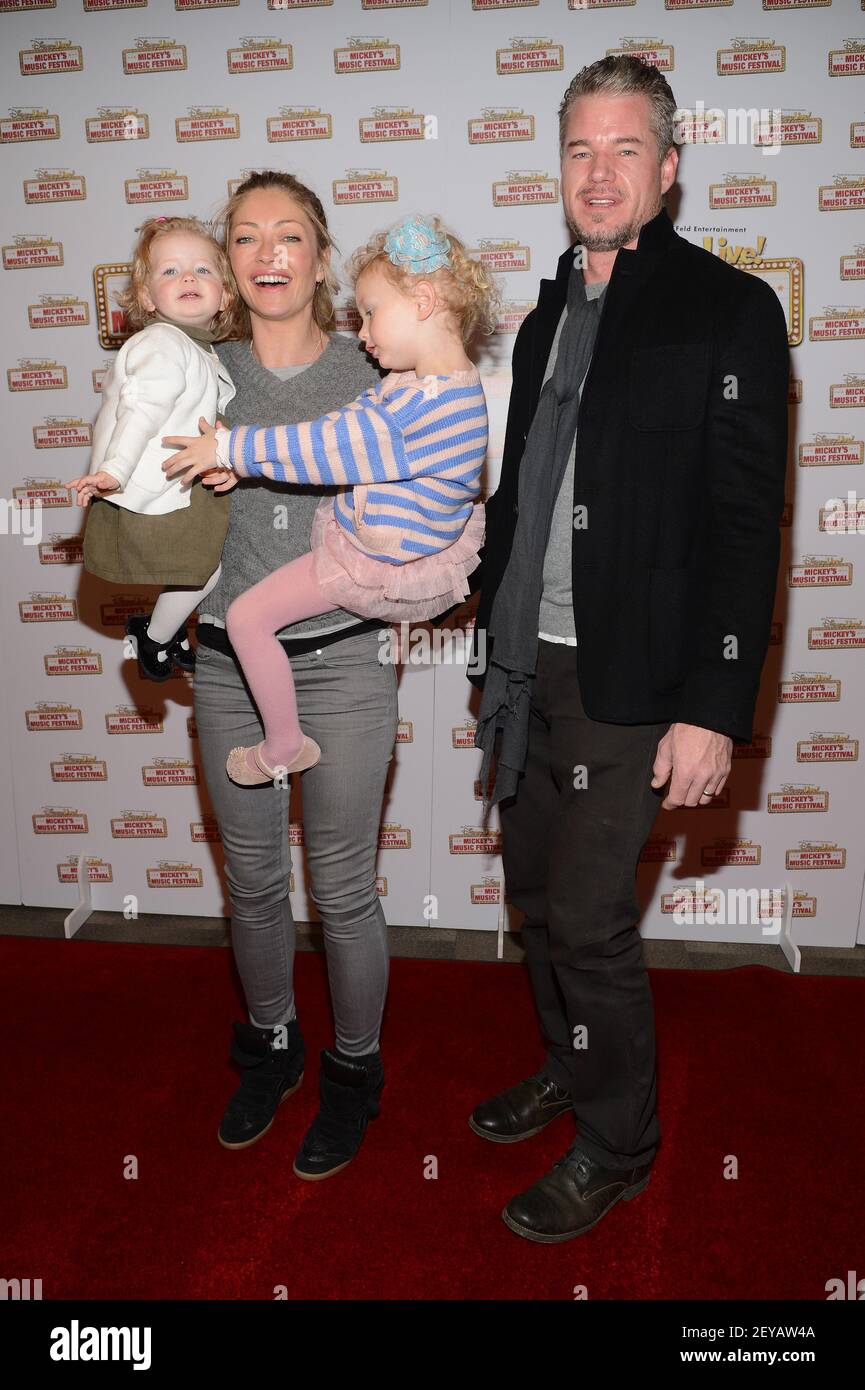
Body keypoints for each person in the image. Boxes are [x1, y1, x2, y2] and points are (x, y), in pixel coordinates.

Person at [467, 55, 789, 1242]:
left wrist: (712, 704)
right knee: (541, 900)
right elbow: (524, 501)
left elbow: (745, 520)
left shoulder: (727, 306)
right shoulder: (549, 309)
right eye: (577, 150)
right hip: (527, 665)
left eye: (623, 150)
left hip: (633, 676)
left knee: (592, 917)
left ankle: (619, 1142)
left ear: (667, 164)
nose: (598, 174)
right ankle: (572, 1063)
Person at [186, 171, 421, 1181]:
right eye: (246, 237)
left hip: (342, 662)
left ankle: (354, 1072)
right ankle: (271, 1047)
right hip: (224, 662)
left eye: (290, 235)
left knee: (341, 889)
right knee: (251, 884)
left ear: (321, 256)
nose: (268, 253)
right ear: (228, 261)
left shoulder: (377, 376)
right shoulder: (199, 371)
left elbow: (429, 509)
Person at [162, 215, 494, 786]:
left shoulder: (425, 409)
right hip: (373, 533)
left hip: (369, 557)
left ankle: (284, 744)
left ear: (422, 301)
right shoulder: (433, 382)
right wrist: (244, 463)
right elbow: (351, 421)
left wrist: (229, 446)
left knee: (246, 617)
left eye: (369, 312)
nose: (362, 332)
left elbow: (329, 444)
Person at [67, 215, 239, 680]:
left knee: (195, 569)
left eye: (203, 269)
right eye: (170, 271)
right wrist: (114, 470)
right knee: (203, 571)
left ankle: (164, 630)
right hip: (160, 488)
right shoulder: (163, 343)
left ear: (224, 293)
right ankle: (155, 636)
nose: (188, 277)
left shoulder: (197, 346)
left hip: (180, 483)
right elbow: (137, 411)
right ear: (146, 298)